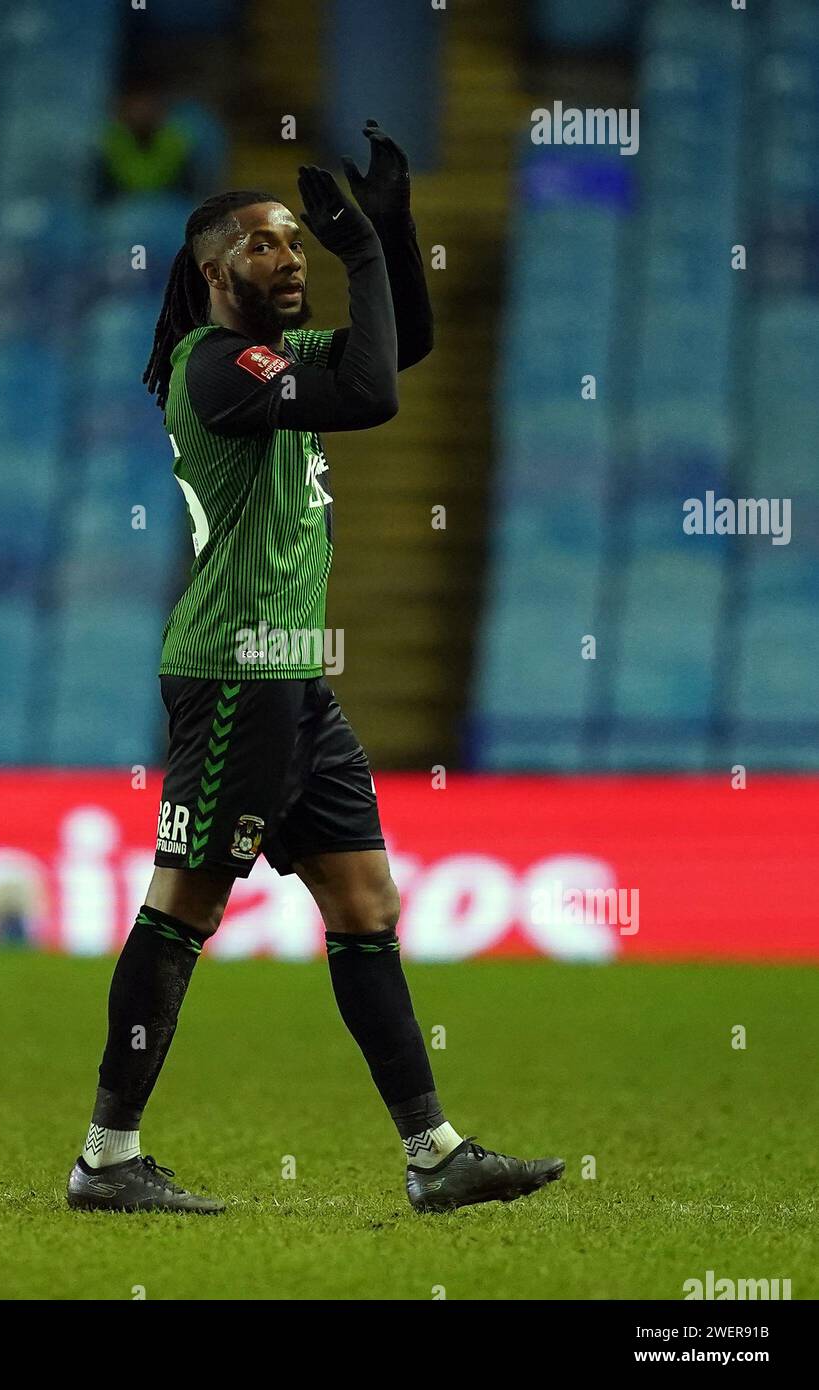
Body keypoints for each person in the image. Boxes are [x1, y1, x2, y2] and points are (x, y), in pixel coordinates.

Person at [67, 122, 564, 1214]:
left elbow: (400, 357)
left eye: (299, 242)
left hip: (291, 677)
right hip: (237, 670)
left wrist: (388, 225)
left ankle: (434, 1154)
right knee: (186, 904)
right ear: (214, 274)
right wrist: (366, 258)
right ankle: (106, 1157)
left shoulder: (273, 362)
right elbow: (377, 395)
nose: (290, 257)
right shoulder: (216, 368)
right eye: (266, 245)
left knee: (363, 896)